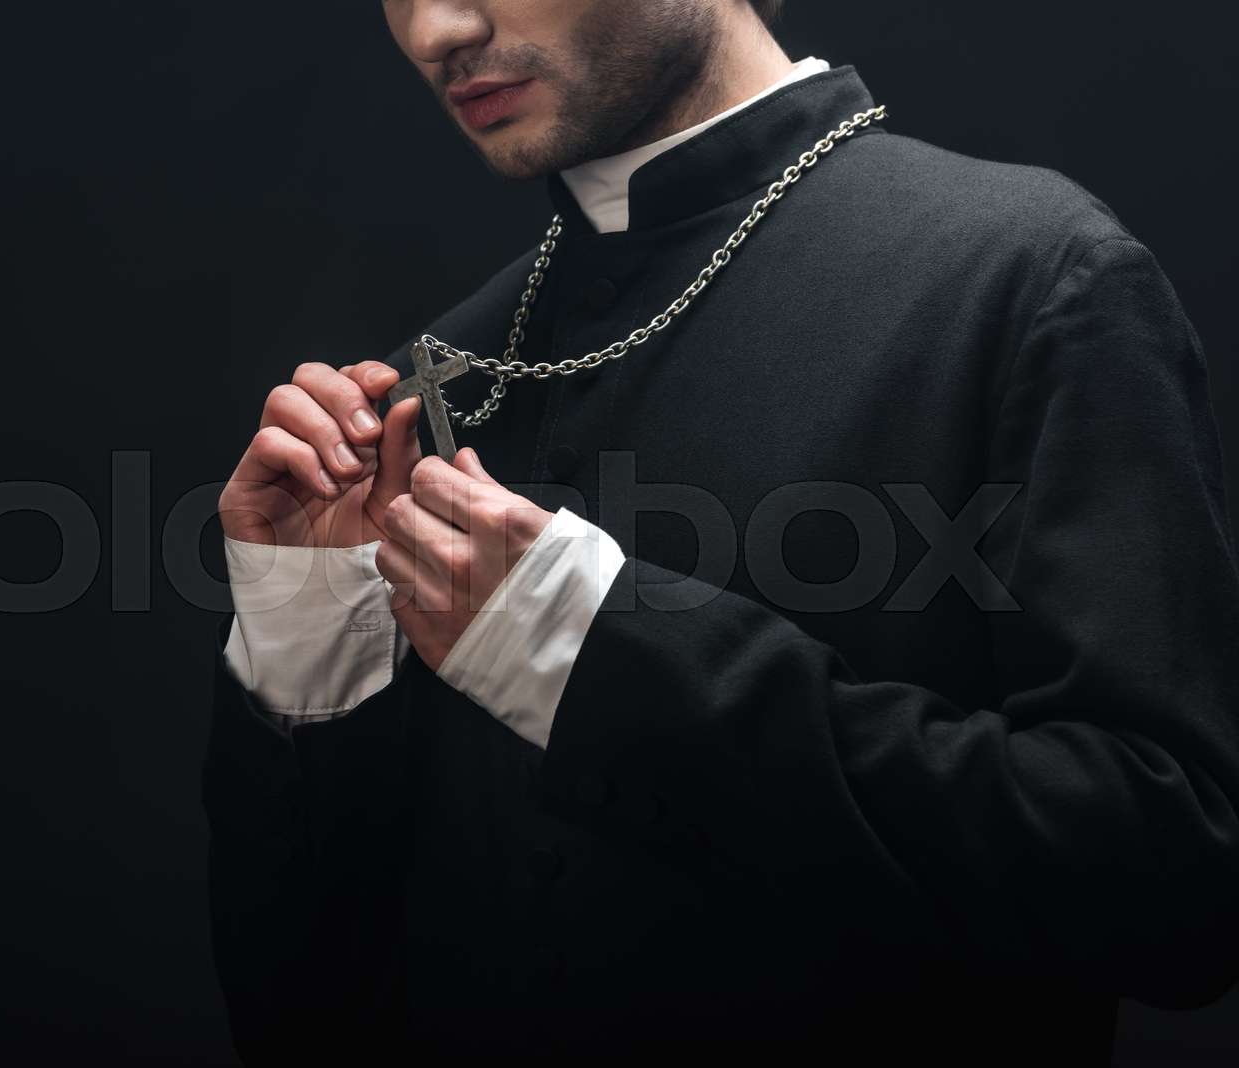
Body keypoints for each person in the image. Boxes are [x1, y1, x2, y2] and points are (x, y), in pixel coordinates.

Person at [204, 1, 1239, 1062]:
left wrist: (596, 653)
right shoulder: (437, 376)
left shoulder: (1030, 276)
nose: (436, 33)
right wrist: (308, 647)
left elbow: (1174, 893)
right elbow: (305, 1019)